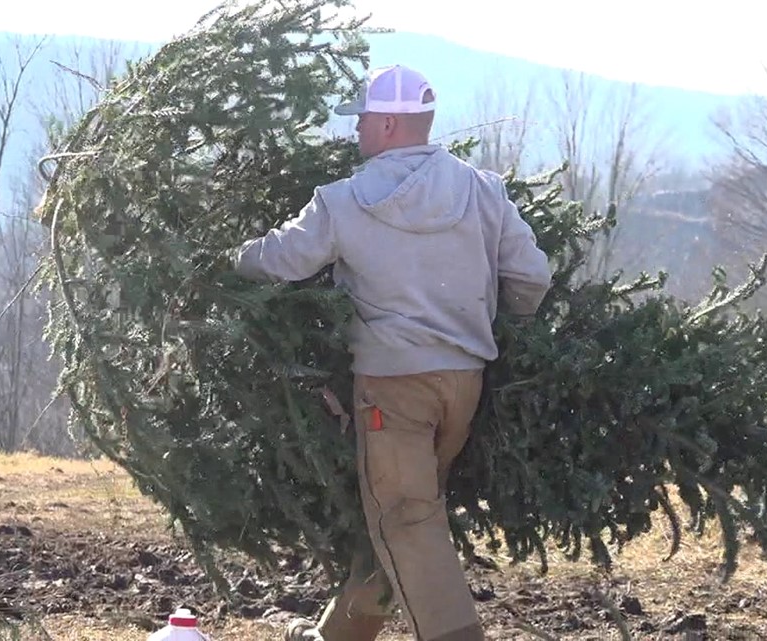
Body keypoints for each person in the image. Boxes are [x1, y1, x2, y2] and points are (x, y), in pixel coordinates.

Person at [231, 64, 553, 641]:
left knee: (406, 518)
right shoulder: (483, 190)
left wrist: (225, 261)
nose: (355, 132)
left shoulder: (344, 201)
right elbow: (531, 276)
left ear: (386, 123)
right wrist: (509, 325)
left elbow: (283, 259)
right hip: (463, 383)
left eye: (360, 121)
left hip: (393, 387)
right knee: (404, 513)